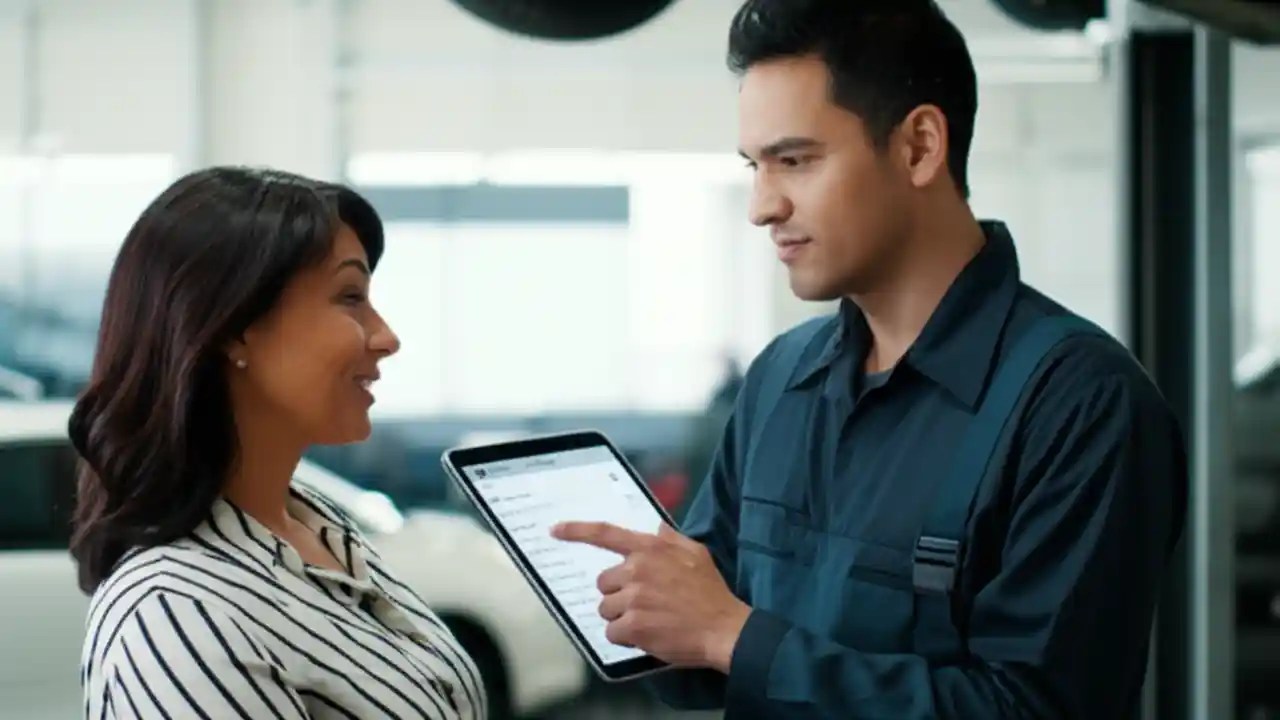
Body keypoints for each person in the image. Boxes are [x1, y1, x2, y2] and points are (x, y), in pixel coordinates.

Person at [551, 1, 1187, 718]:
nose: (762, 206)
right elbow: (706, 655)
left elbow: (1037, 708)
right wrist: (640, 616)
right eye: (754, 167)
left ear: (919, 146)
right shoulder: (779, 382)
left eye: (794, 160)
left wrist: (738, 637)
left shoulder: (1081, 404)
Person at [71, 167, 486, 719]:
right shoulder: (176, 611)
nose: (386, 337)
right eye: (350, 297)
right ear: (234, 326)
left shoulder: (320, 530)